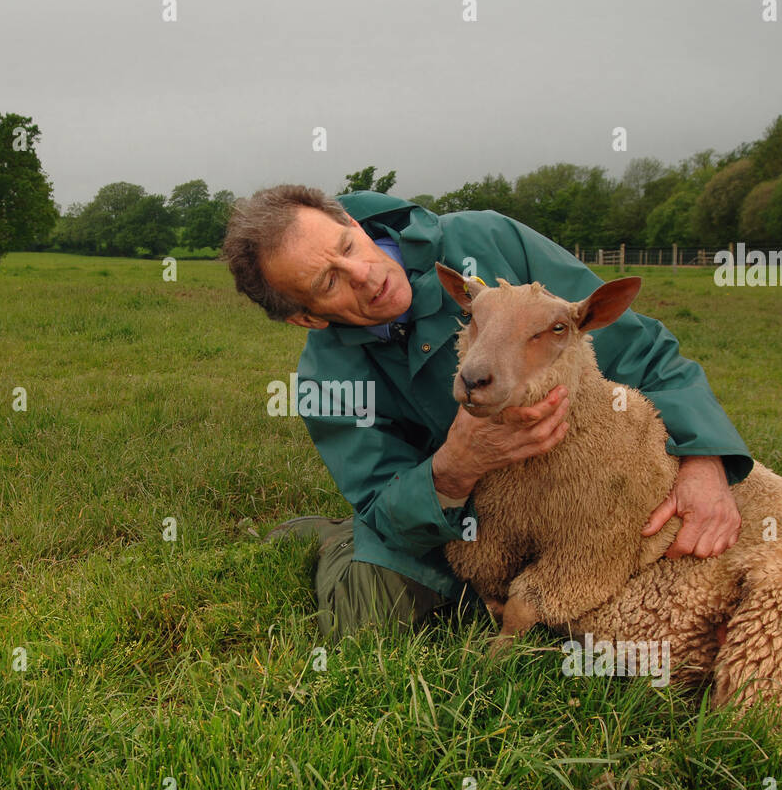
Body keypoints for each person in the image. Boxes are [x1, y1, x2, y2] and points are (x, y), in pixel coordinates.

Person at [222, 184, 752, 642]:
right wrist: (457, 464)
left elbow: (641, 349)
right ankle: (332, 536)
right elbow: (385, 505)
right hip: (463, 520)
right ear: (307, 319)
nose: (363, 273)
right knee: (363, 619)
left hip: (577, 491)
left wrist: (706, 462)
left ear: (351, 221)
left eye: (347, 245)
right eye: (328, 283)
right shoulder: (327, 380)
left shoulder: (490, 241)